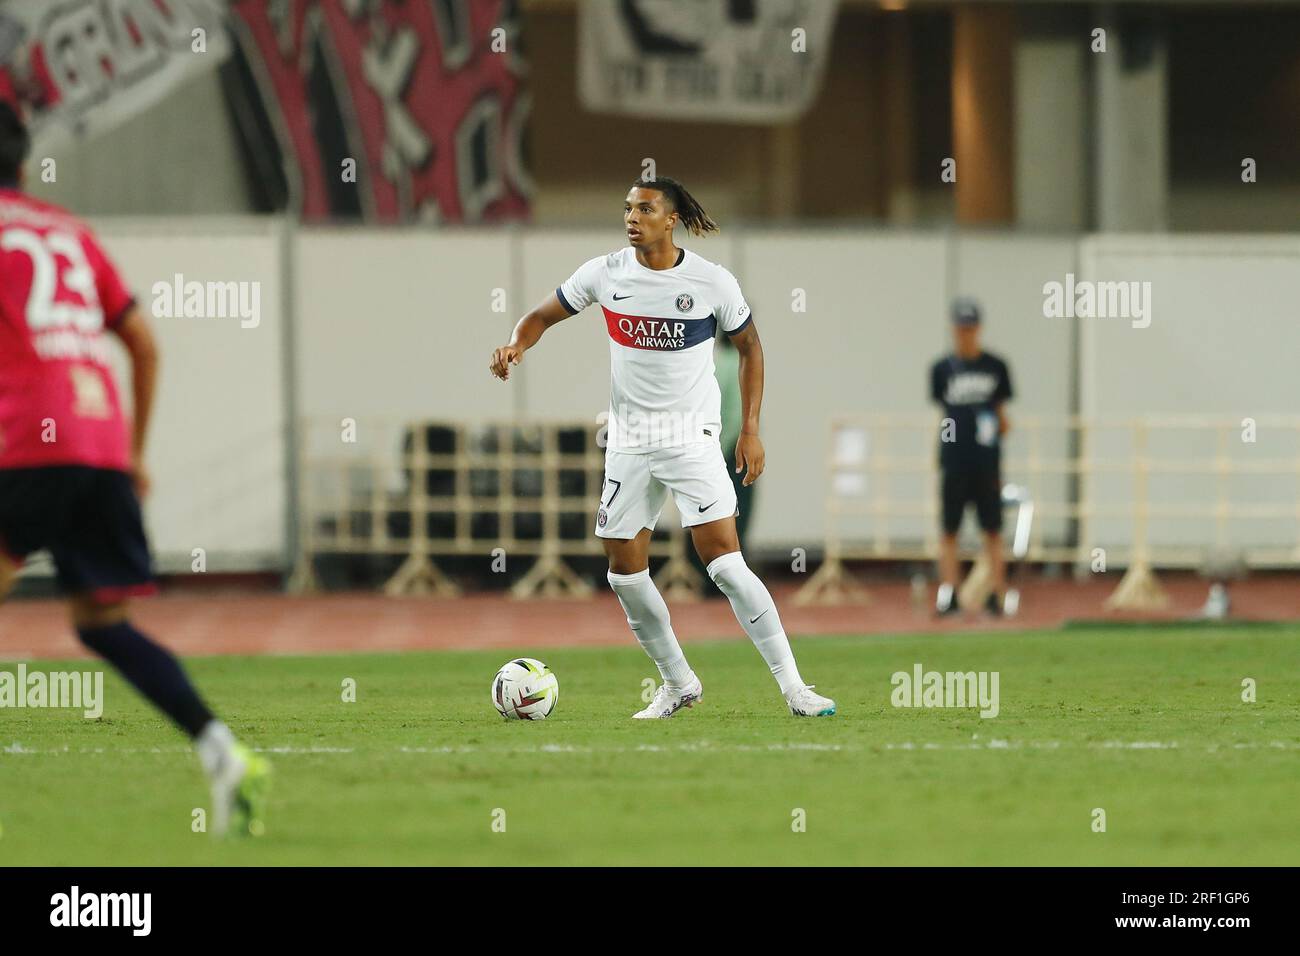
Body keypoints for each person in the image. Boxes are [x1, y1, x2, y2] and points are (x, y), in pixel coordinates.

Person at [0, 101, 269, 836]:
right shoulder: (68, 231)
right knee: (101, 622)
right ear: (24, 166)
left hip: (24, 442)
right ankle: (221, 749)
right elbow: (144, 344)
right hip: (96, 444)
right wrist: (135, 456)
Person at [490, 176, 834, 718]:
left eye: (645, 209)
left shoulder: (710, 281)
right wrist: (516, 344)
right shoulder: (605, 273)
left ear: (670, 219)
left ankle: (795, 688)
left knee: (724, 562)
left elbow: (751, 348)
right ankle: (678, 683)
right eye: (627, 208)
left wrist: (749, 429)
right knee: (624, 571)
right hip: (627, 442)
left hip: (690, 441)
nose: (632, 217)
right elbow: (541, 316)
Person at [929, 298, 1014, 616]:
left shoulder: (995, 367)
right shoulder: (942, 369)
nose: (965, 333)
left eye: (970, 327)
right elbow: (943, 413)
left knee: (992, 528)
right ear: (954, 329)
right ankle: (949, 593)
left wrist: (994, 431)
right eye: (961, 328)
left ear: (978, 328)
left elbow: (1003, 415)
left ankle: (997, 593)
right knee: (949, 529)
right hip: (954, 460)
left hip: (986, 462)